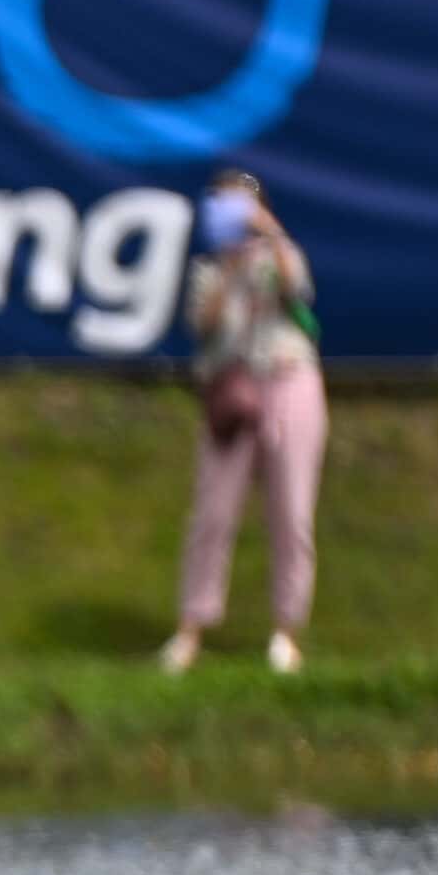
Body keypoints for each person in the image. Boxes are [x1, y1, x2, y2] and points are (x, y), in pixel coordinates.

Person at [159, 170, 327, 676]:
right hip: (231, 394)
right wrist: (231, 267)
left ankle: (286, 633)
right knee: (212, 513)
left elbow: (300, 292)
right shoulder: (209, 268)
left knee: (292, 513)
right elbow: (203, 325)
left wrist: (269, 234)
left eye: (241, 205)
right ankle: (191, 629)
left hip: (289, 380)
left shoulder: (280, 254)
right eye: (223, 206)